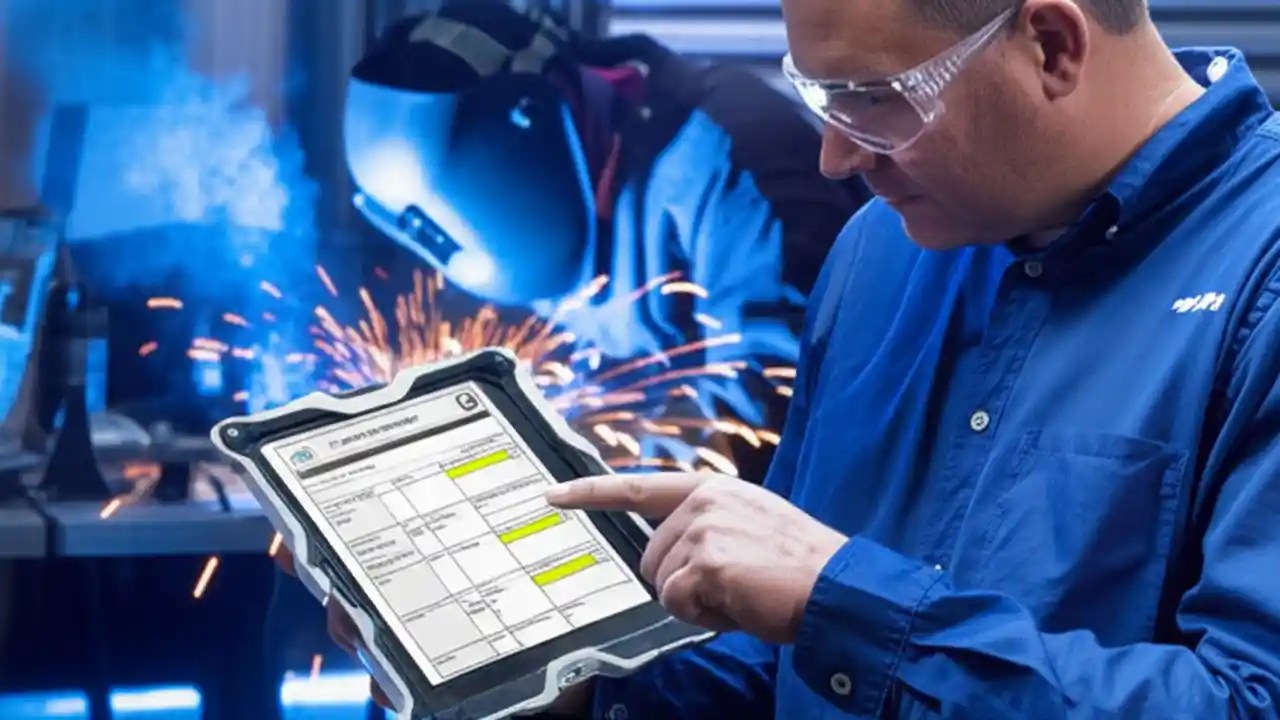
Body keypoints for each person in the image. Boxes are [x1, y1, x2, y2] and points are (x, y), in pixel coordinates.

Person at [287, 0, 1280, 716]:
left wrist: (845, 600)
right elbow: (792, 670)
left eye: (872, 100)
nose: (833, 162)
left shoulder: (1259, 282)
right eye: (817, 97)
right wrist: (567, 685)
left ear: (1051, 44)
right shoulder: (878, 254)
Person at [343, 3, 870, 481]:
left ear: (526, 128)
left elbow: (780, 412)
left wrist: (585, 471)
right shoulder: (512, 213)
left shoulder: (738, 163)